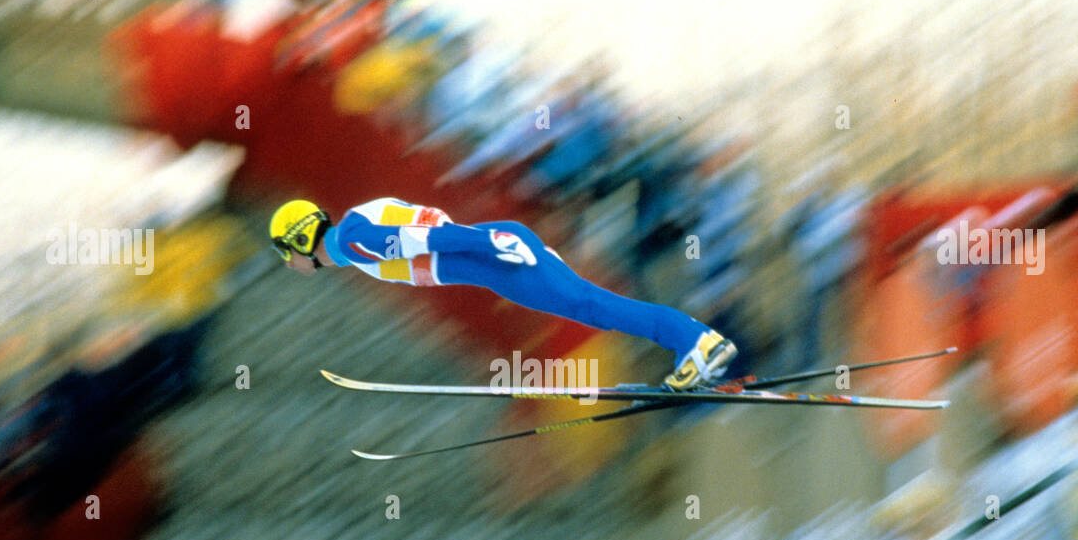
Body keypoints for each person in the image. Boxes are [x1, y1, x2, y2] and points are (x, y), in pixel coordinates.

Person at [268, 198, 737, 390]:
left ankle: (697, 343)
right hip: (497, 261)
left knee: (592, 306)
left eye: (283, 252)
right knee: (593, 309)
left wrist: (490, 244)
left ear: (297, 239)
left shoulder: (351, 238)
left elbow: (424, 239)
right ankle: (696, 344)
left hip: (498, 255)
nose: (287, 263)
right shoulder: (351, 242)